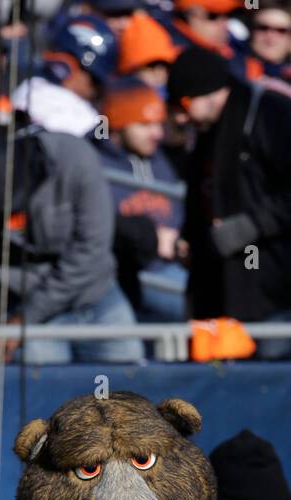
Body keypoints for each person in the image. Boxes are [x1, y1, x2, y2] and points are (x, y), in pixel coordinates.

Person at [169, 46, 291, 358]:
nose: (180, 116)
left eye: (184, 103)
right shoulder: (209, 133)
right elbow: (206, 197)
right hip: (253, 293)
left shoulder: (272, 114)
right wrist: (192, 238)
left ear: (210, 91)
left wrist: (251, 224)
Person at [0, 122, 144, 363]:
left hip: (94, 299)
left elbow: (91, 252)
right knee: (43, 383)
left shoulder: (76, 159)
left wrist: (24, 319)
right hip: (12, 308)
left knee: (127, 380)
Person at [97, 78, 187, 319]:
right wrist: (152, 240)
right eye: (145, 125)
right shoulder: (96, 162)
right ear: (118, 124)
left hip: (174, 265)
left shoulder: (158, 159)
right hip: (135, 273)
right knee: (203, 305)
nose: (157, 133)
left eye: (158, 124)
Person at [12, 13, 117, 137]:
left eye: (96, 82)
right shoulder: (30, 85)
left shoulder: (93, 118)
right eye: (93, 79)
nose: (94, 89)